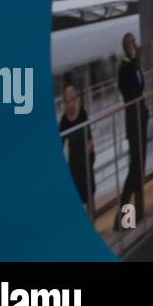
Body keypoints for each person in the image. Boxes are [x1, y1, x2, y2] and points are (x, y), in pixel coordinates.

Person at [115, 33, 146, 230]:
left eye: (134, 41)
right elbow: (130, 91)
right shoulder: (124, 69)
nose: (133, 45)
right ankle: (123, 219)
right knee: (135, 168)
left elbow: (141, 87)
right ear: (124, 46)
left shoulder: (135, 65)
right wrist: (134, 62)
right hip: (133, 120)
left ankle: (138, 213)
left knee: (139, 167)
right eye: (129, 42)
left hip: (140, 117)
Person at [59, 82, 95, 212]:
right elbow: (61, 140)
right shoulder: (64, 119)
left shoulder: (82, 114)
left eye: (71, 101)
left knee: (88, 189)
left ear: (75, 100)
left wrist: (90, 148)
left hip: (85, 157)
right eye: (66, 102)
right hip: (74, 160)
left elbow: (89, 135)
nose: (69, 105)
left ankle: (91, 217)